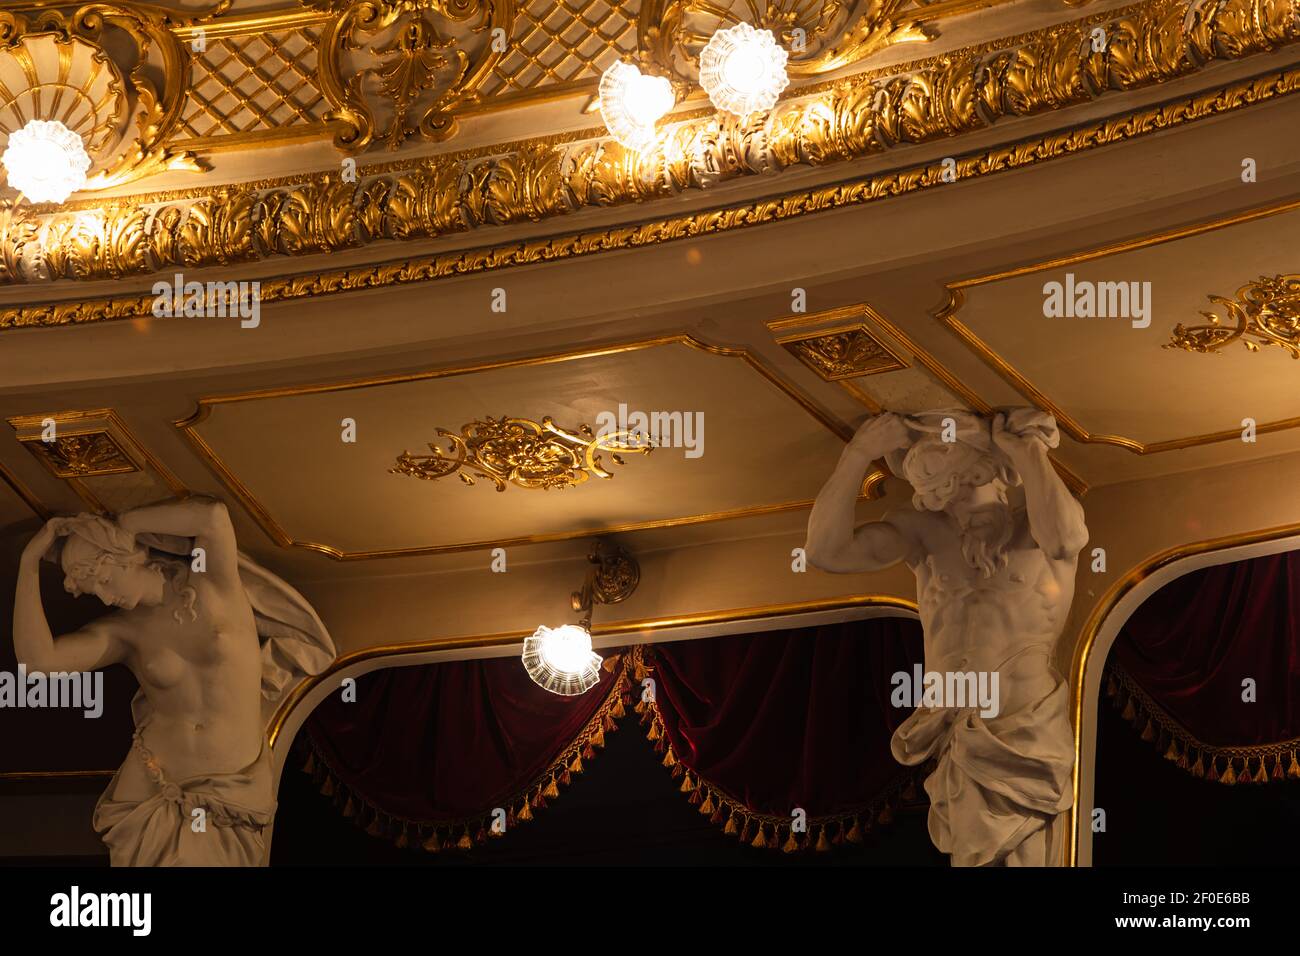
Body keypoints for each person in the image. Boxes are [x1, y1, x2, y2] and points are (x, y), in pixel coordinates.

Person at [805, 408, 1087, 865]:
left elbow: (1066, 538)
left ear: (985, 468)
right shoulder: (924, 536)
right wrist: (857, 455)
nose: (950, 509)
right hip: (957, 730)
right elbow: (825, 553)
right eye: (937, 498)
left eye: (957, 491)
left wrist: (1030, 451)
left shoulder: (1036, 523)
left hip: (1022, 730)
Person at [13, 498, 334, 866]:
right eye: (92, 590)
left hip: (227, 786)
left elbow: (212, 516)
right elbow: (38, 665)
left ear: (127, 556)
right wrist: (28, 564)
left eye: (102, 579)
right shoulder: (121, 633)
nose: (103, 596)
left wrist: (124, 524)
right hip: (152, 782)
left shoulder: (212, 583)